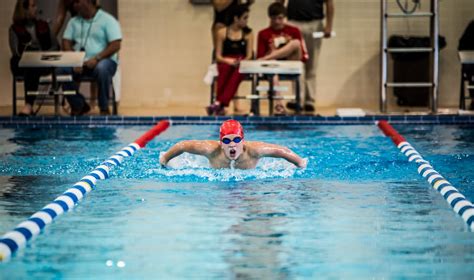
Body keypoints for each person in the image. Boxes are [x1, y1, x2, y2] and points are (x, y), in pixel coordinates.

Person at [57, 0, 121, 115]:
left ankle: (104, 108)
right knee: (61, 70)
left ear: (88, 2)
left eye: (77, 2)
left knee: (103, 68)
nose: (74, 5)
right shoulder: (73, 21)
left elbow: (116, 44)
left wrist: (97, 58)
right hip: (79, 64)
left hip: (102, 61)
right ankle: (79, 105)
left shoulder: (108, 20)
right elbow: (65, 42)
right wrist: (74, 60)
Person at [160, 120, 307, 169]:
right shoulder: (211, 149)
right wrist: (164, 159)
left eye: (236, 140)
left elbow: (282, 151)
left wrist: (300, 163)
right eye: (227, 140)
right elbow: (182, 145)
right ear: (220, 142)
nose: (232, 145)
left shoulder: (254, 150)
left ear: (242, 140)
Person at [278, 0, 334, 113]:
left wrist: (329, 26)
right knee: (295, 64)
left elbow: (329, 3)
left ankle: (310, 100)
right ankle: (297, 98)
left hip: (314, 24)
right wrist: (278, 21)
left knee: (311, 64)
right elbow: (279, 2)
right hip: (293, 22)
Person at [256, 2, 308, 115]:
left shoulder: (294, 31)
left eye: (280, 18)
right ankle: (279, 106)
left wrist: (272, 55)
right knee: (274, 70)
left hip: (291, 63)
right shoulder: (263, 34)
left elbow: (302, 56)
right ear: (270, 18)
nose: (277, 21)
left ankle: (299, 102)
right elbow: (259, 57)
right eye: (274, 18)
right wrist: (272, 52)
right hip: (274, 66)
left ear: (285, 17)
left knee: (295, 43)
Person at [9, 0, 58, 116]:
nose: (36, 8)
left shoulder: (44, 25)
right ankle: (29, 105)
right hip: (23, 63)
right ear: (24, 9)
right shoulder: (14, 29)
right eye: (33, 6)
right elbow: (15, 51)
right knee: (28, 64)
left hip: (43, 62)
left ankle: (28, 105)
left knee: (34, 65)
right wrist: (30, 56)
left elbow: (55, 46)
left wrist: (42, 55)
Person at [206, 4, 254, 116]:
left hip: (242, 62)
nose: (247, 21)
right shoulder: (222, 32)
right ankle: (221, 104)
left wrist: (240, 62)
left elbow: (249, 55)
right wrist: (229, 61)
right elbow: (218, 56)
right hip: (226, 61)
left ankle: (219, 103)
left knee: (239, 70)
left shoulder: (248, 34)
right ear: (236, 18)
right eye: (245, 18)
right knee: (224, 68)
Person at [459, 20, 474, 110]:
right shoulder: (472, 27)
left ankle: (473, 100)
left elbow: (461, 47)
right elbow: (462, 46)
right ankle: (473, 100)